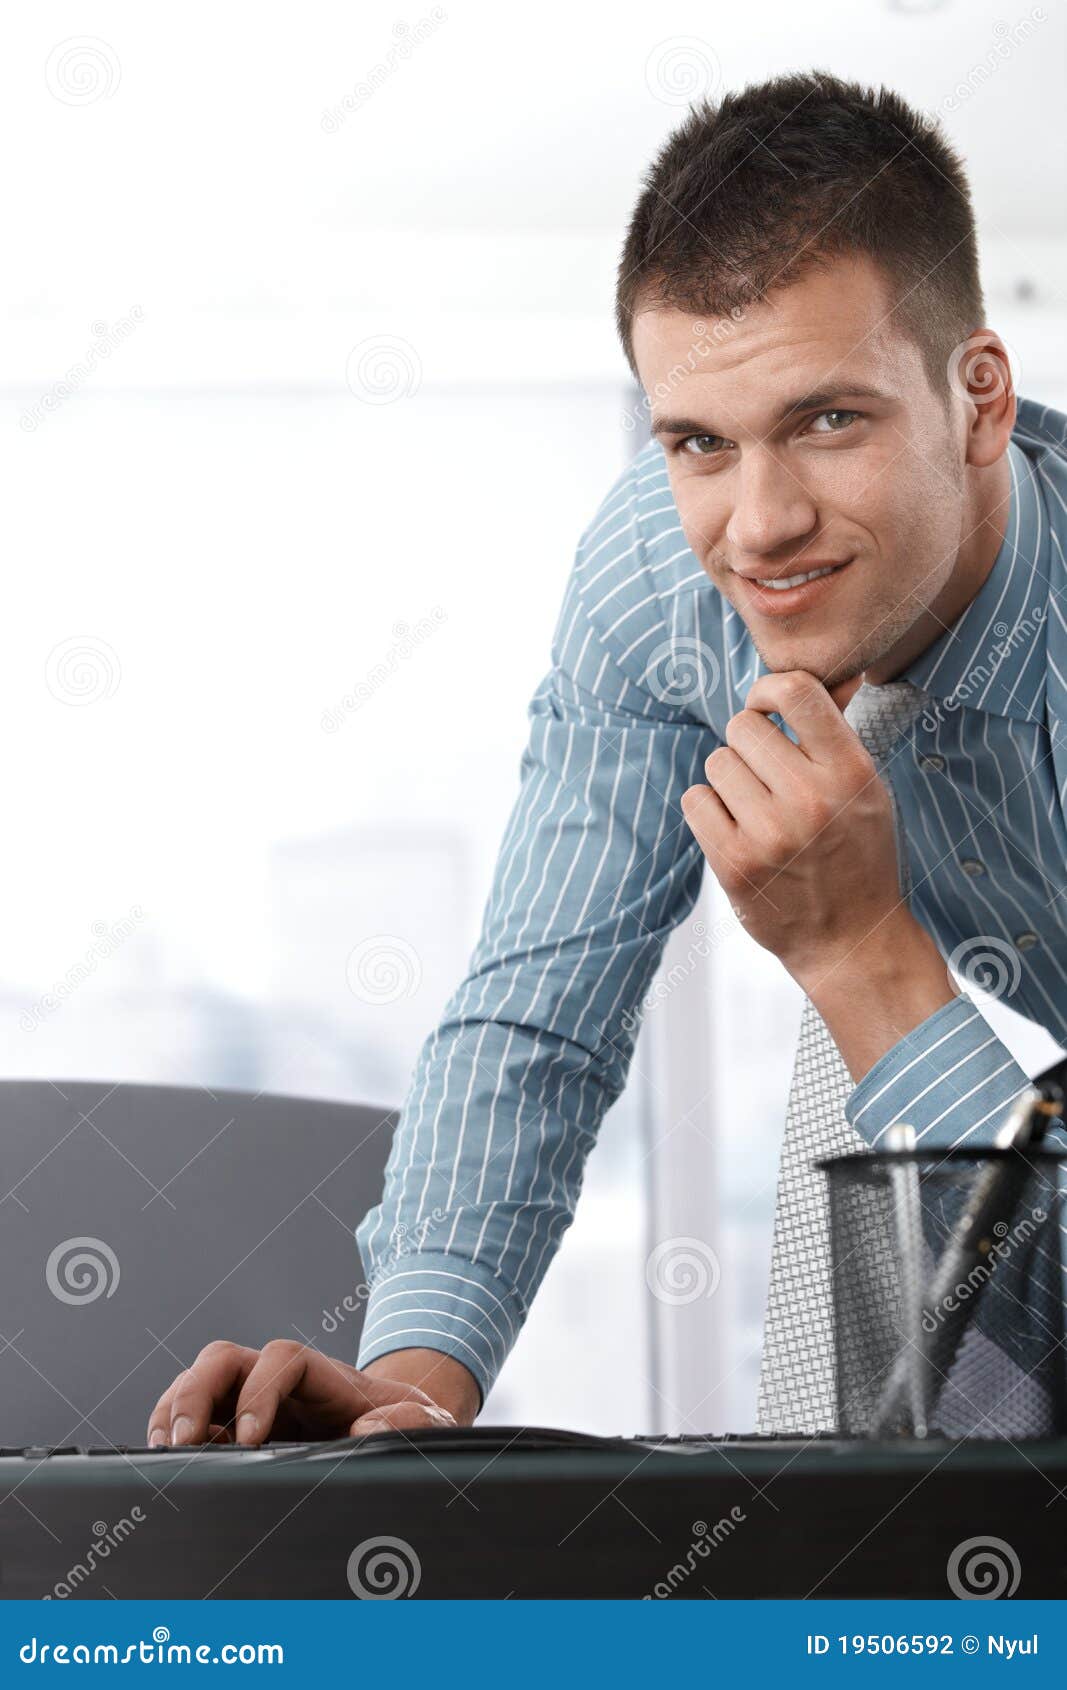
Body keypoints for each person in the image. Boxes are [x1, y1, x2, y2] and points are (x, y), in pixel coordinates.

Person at [146, 67, 1067, 1448]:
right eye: (699, 441)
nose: (760, 525)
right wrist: (414, 1385)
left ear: (980, 398)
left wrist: (859, 957)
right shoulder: (662, 571)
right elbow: (540, 1015)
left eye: (829, 419)